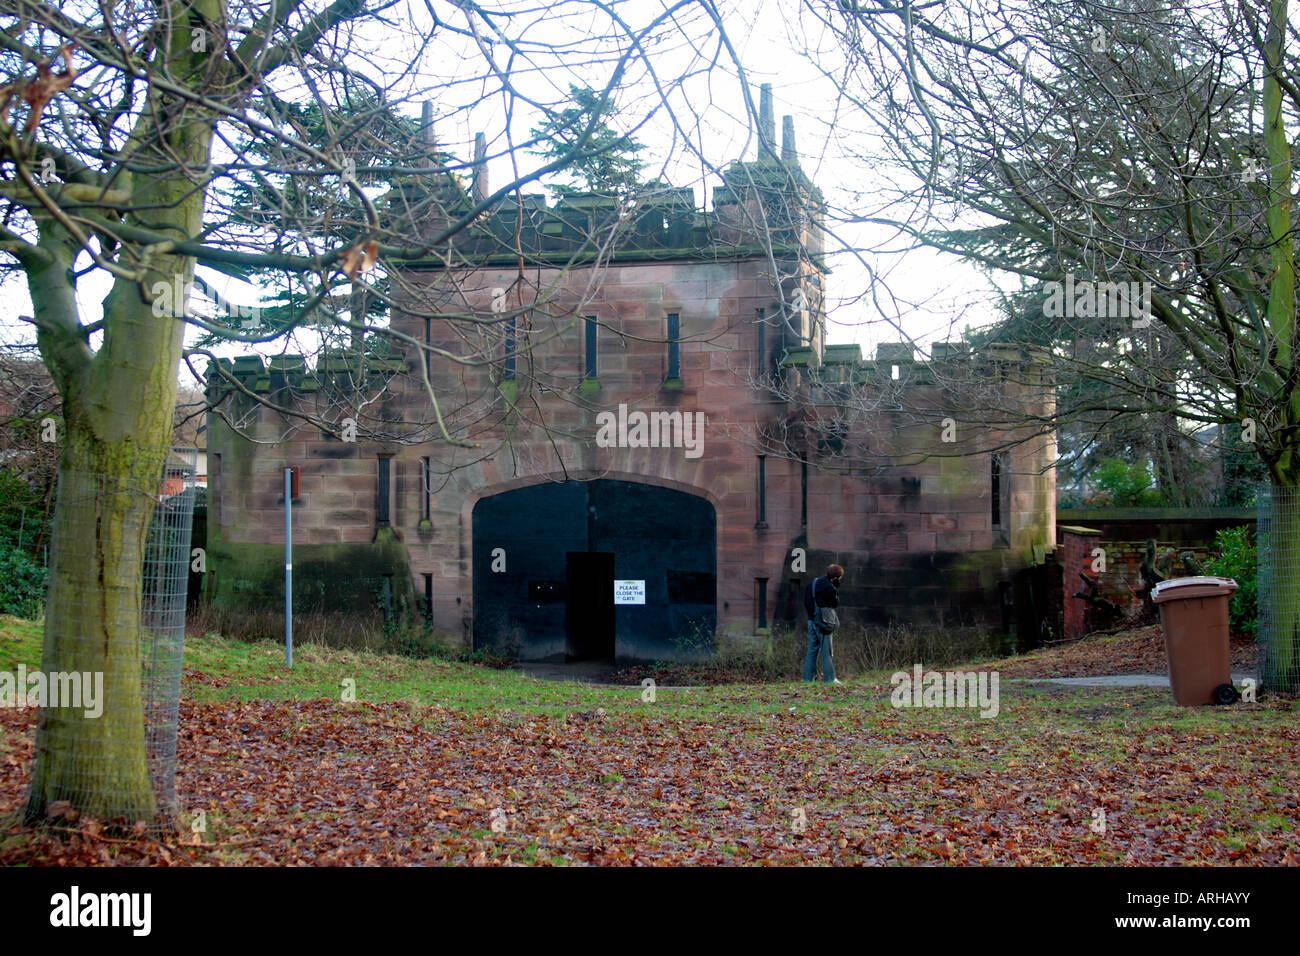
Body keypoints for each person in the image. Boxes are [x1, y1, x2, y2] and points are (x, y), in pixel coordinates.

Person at [803, 564, 844, 683]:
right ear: (836, 578)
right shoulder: (830, 588)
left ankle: (808, 679)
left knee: (812, 650)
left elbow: (806, 601)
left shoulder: (813, 583)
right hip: (824, 623)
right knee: (827, 651)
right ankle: (830, 679)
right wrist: (836, 588)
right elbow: (835, 604)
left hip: (811, 620)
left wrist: (812, 616)